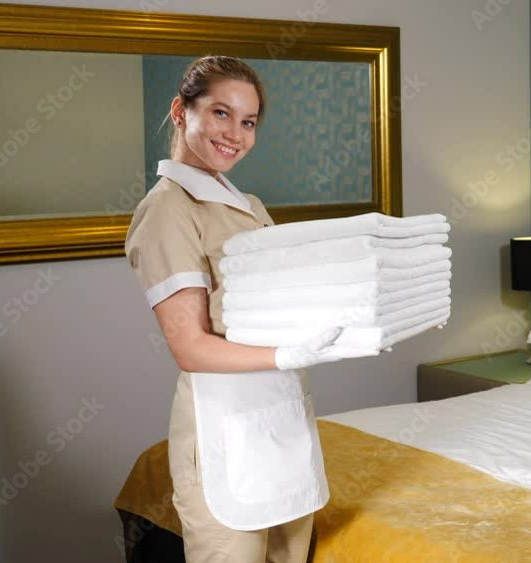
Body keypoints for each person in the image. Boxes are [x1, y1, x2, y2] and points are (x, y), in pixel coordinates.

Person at [124, 55, 354, 563]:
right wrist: (286, 353)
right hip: (223, 433)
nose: (236, 134)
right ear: (181, 111)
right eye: (221, 113)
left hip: (283, 423)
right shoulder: (168, 209)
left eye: (248, 121)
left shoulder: (248, 206)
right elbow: (189, 346)